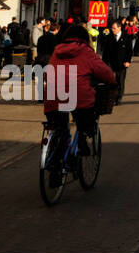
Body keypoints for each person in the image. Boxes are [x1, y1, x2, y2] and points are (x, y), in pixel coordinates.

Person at [42, 22, 116, 188]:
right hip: (79, 98)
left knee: (59, 128)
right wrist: (112, 82)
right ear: (85, 38)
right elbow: (106, 73)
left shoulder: (57, 51)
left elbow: (47, 74)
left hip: (54, 97)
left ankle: (54, 166)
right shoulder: (86, 52)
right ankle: (82, 142)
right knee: (86, 119)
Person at [101, 21, 133, 105]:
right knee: (111, 81)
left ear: (119, 28)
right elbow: (105, 51)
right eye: (112, 28)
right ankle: (111, 97)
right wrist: (104, 62)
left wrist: (128, 61)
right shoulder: (109, 37)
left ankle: (119, 98)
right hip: (110, 62)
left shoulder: (126, 37)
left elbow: (129, 51)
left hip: (122, 63)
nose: (113, 30)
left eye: (114, 28)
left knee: (120, 80)